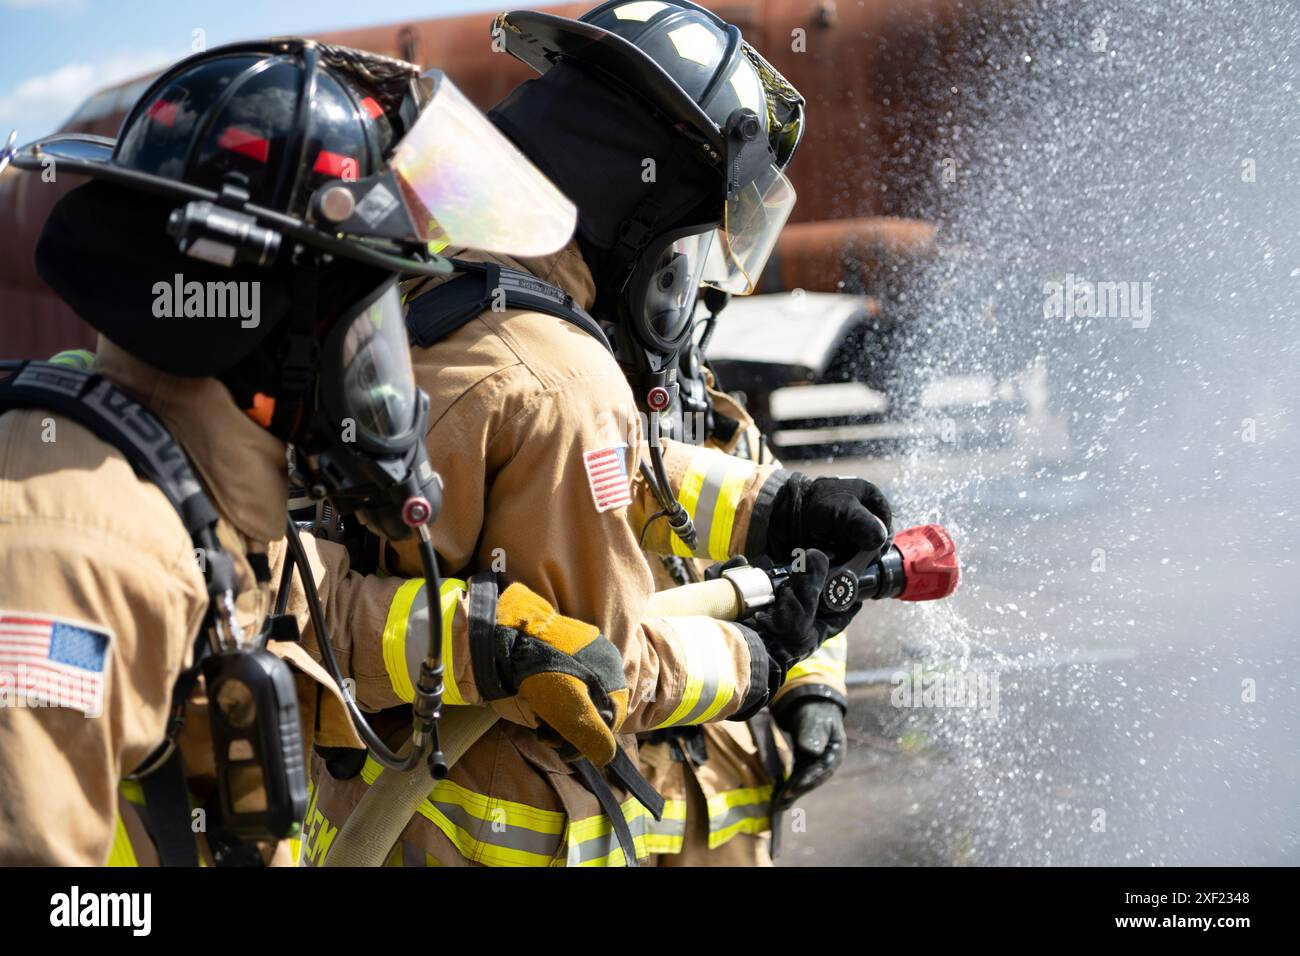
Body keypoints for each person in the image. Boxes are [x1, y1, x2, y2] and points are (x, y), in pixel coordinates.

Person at [299, 0, 893, 867]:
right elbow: (599, 664)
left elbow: (637, 476)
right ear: (637, 212)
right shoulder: (563, 378)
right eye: (692, 247)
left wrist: (779, 508)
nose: (698, 292)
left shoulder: (429, 304)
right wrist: (756, 658)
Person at [0, 38, 603, 866]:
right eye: (368, 323)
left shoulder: (184, 494)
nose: (386, 376)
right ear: (275, 322)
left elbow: (292, 614)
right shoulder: (84, 552)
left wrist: (487, 639)